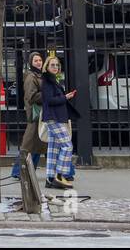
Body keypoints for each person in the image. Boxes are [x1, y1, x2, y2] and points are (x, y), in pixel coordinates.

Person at [40, 54, 79, 190]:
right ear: (47, 66)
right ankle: (60, 175)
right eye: (52, 65)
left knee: (53, 149)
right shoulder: (47, 81)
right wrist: (65, 97)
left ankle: (50, 179)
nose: (55, 67)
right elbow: (49, 100)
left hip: (55, 116)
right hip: (53, 117)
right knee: (67, 146)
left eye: (57, 65)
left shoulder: (51, 80)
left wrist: (65, 97)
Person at [11, 51, 45, 179]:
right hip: (36, 114)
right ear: (31, 62)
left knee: (36, 144)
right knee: (30, 144)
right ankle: (19, 171)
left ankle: (24, 171)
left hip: (40, 113)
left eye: (40, 60)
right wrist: (47, 93)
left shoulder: (39, 75)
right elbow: (31, 97)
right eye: (35, 60)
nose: (38, 62)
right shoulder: (31, 77)